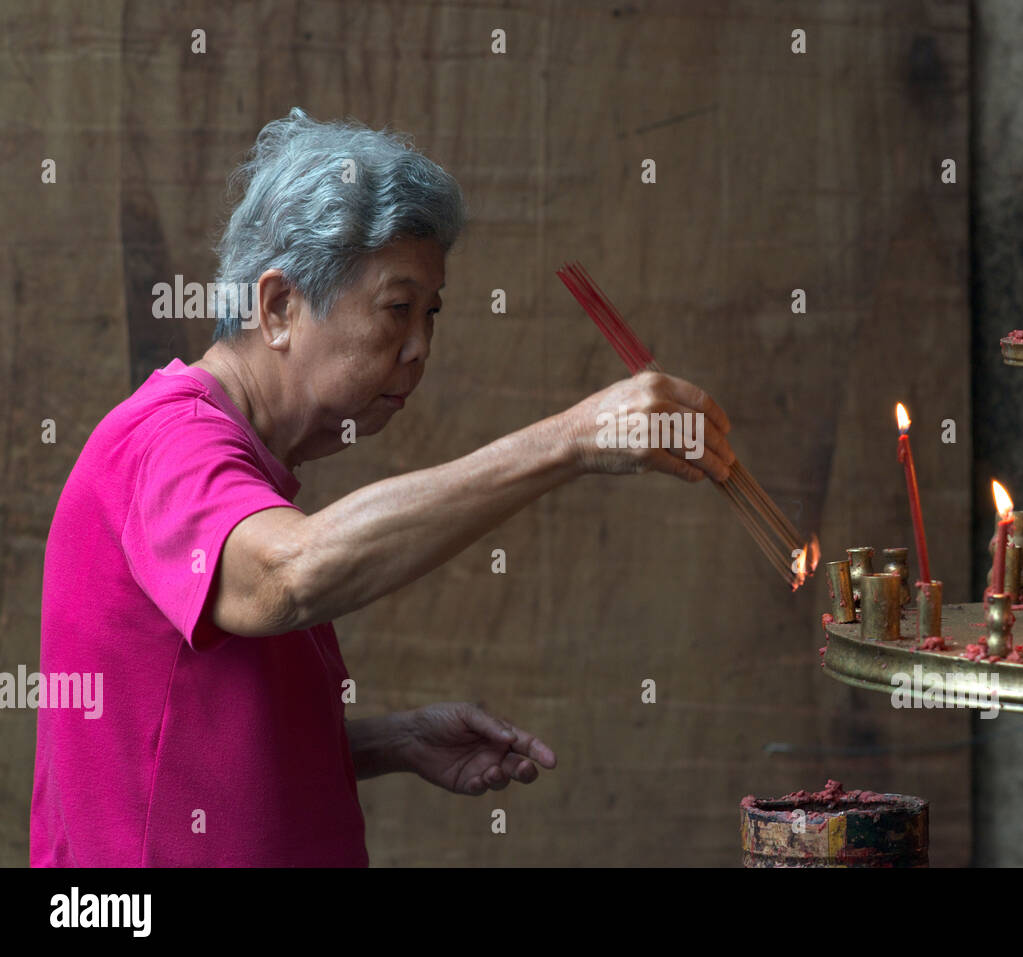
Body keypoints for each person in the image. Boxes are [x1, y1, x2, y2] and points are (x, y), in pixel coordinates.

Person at [31, 108, 735, 866]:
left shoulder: (237, 465)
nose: (421, 346)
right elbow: (288, 576)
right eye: (398, 308)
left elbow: (174, 733)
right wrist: (575, 438)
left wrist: (384, 742)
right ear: (277, 307)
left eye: (431, 313)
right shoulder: (163, 443)